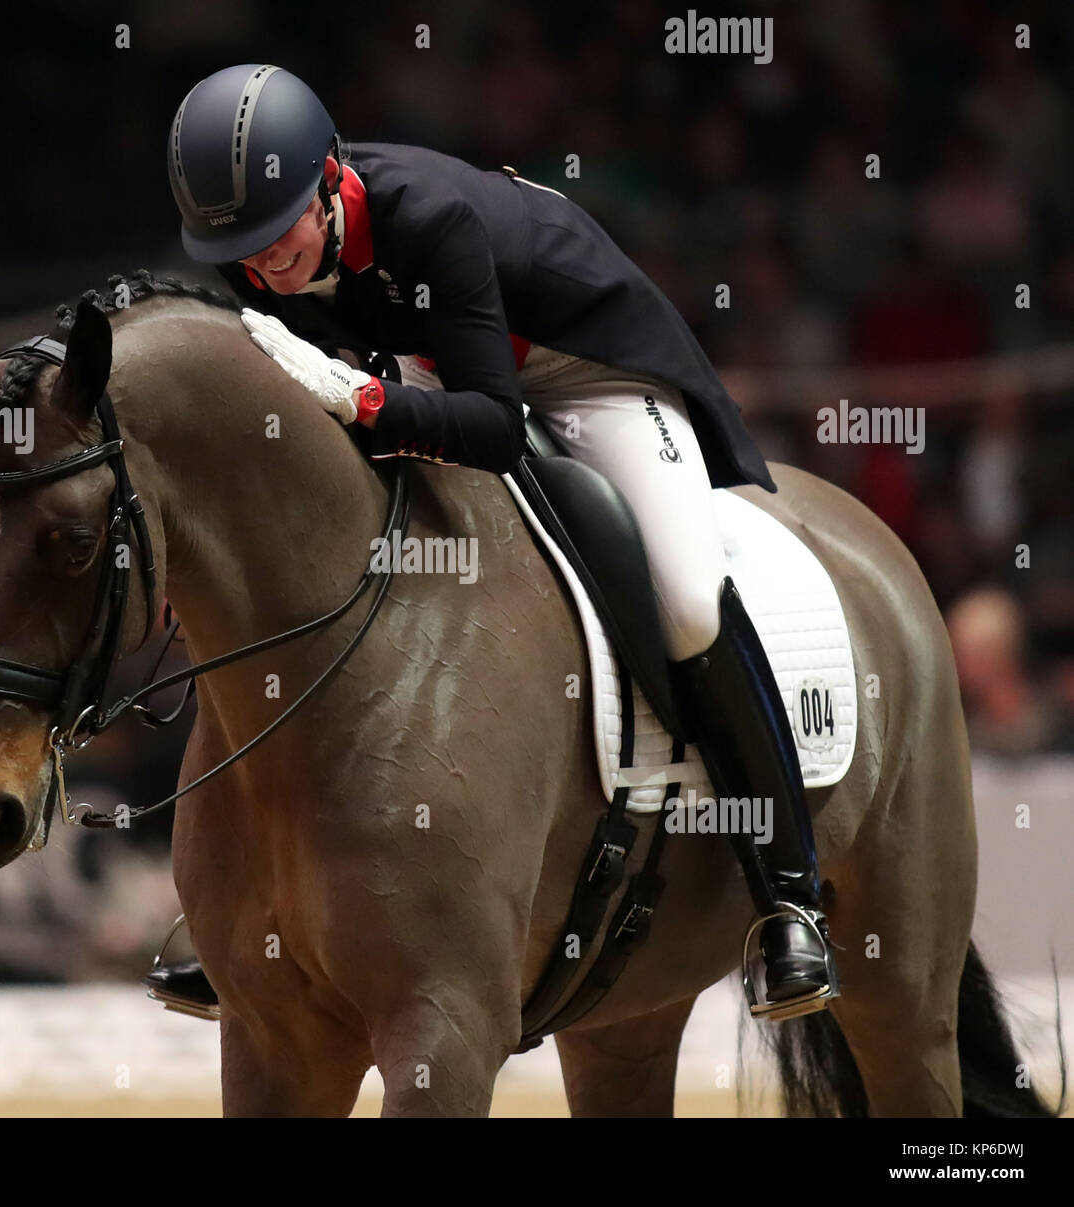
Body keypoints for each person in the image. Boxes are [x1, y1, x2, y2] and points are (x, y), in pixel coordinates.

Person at [160, 62, 837, 1017]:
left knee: (687, 597)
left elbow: (496, 428)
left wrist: (357, 394)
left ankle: (789, 899)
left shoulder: (429, 218)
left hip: (587, 370)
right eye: (241, 253)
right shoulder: (276, 251)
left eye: (278, 241)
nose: (265, 270)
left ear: (326, 181)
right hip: (451, 362)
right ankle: (249, 913)